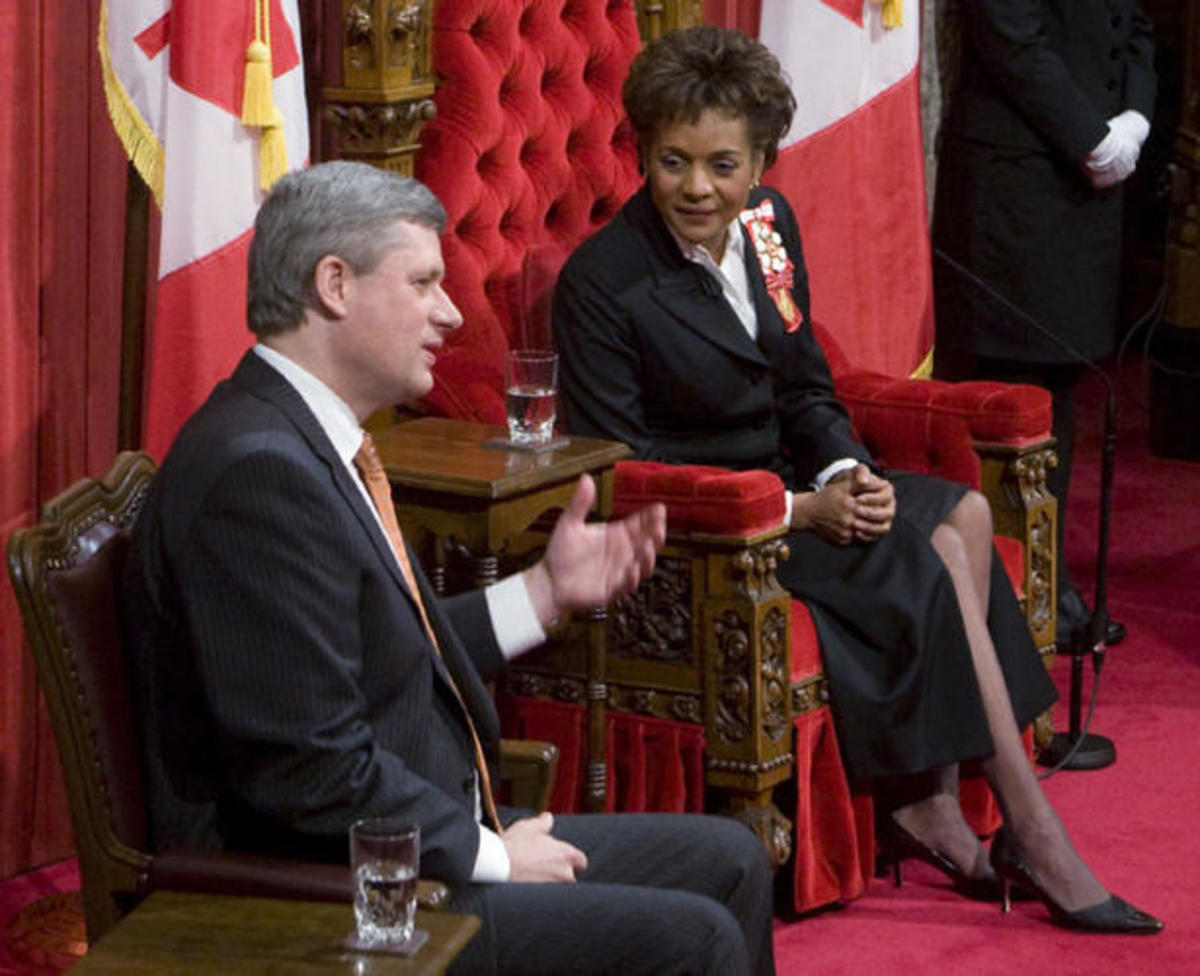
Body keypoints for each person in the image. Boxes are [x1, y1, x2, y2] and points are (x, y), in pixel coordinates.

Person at [553, 25, 1161, 934]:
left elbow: (805, 383)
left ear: (760, 161)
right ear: (643, 150)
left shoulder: (767, 228)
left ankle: (939, 804)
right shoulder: (601, 281)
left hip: (802, 484)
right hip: (722, 526)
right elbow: (620, 465)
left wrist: (845, 466)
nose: (696, 188)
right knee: (924, 558)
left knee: (956, 513)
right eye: (673, 162)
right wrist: (803, 505)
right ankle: (1027, 827)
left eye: (723, 164)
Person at [121, 160, 776, 975]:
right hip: (330, 893)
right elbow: (306, 770)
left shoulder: (303, 439)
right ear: (334, 285)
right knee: (694, 939)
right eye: (425, 283)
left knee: (731, 858)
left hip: (414, 842)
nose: (452, 312)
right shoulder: (256, 473)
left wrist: (544, 593)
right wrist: (491, 856)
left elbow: (385, 651)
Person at [932, 0, 1156, 649]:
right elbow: (1010, 35)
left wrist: (1135, 120)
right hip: (1019, 177)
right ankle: (1008, 592)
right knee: (1015, 389)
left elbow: (1133, 22)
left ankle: (1046, 576)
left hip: (1086, 179)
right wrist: (1089, 135)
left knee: (1058, 390)